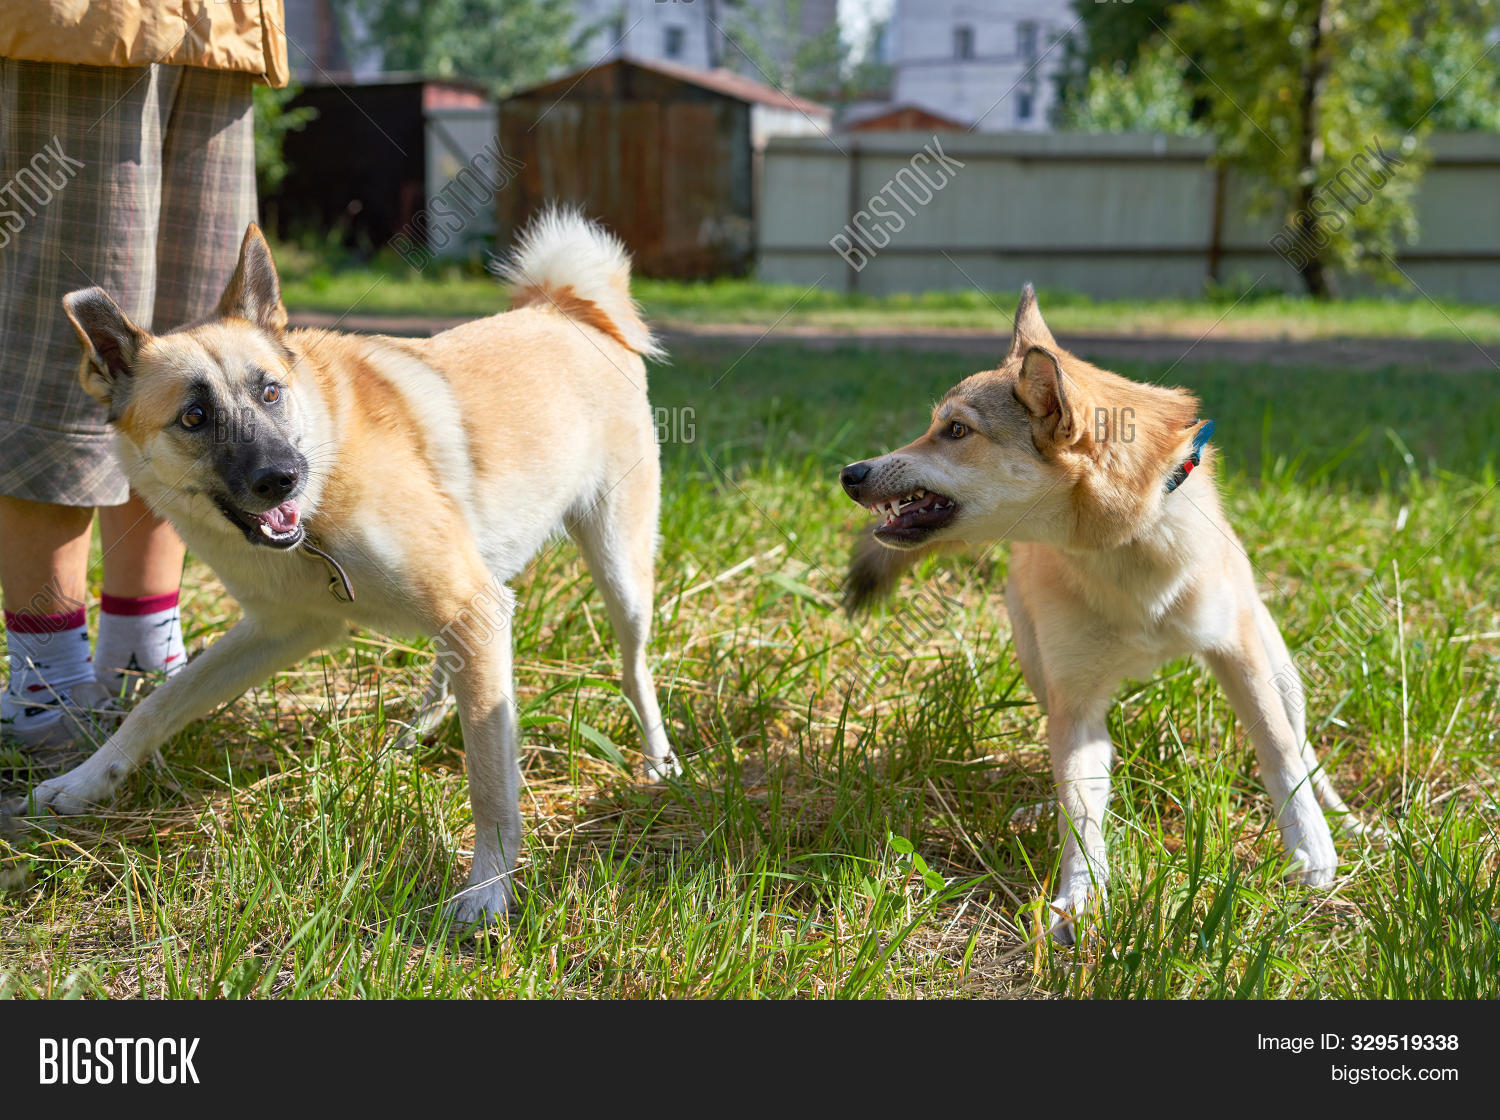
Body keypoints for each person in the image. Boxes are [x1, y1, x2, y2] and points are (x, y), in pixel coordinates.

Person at [0, 3, 289, 746]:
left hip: (219, 27)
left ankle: (141, 662)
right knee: (66, 352)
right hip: (75, 23)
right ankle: (49, 691)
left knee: (194, 359)